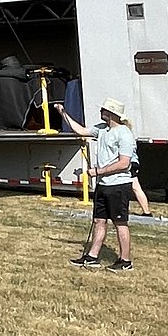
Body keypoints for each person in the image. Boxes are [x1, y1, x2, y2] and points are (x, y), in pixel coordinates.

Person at [56, 97, 137, 271]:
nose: (101, 112)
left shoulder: (124, 134)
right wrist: (63, 113)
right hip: (103, 185)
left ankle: (125, 260)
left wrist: (98, 171)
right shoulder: (101, 130)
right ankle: (92, 256)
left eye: (104, 110)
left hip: (118, 185)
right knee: (99, 220)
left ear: (112, 114)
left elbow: (124, 163)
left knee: (120, 222)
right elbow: (81, 131)